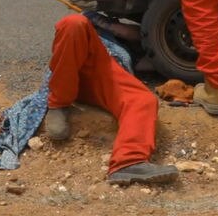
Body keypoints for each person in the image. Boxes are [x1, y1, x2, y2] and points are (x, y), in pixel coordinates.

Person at [42, 12, 178, 184]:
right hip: (74, 59)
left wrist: (112, 27)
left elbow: (137, 36)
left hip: (106, 69)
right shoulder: (91, 21)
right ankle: (59, 102)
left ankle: (129, 162)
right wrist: (104, 24)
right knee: (74, 22)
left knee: (143, 101)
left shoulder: (141, 38)